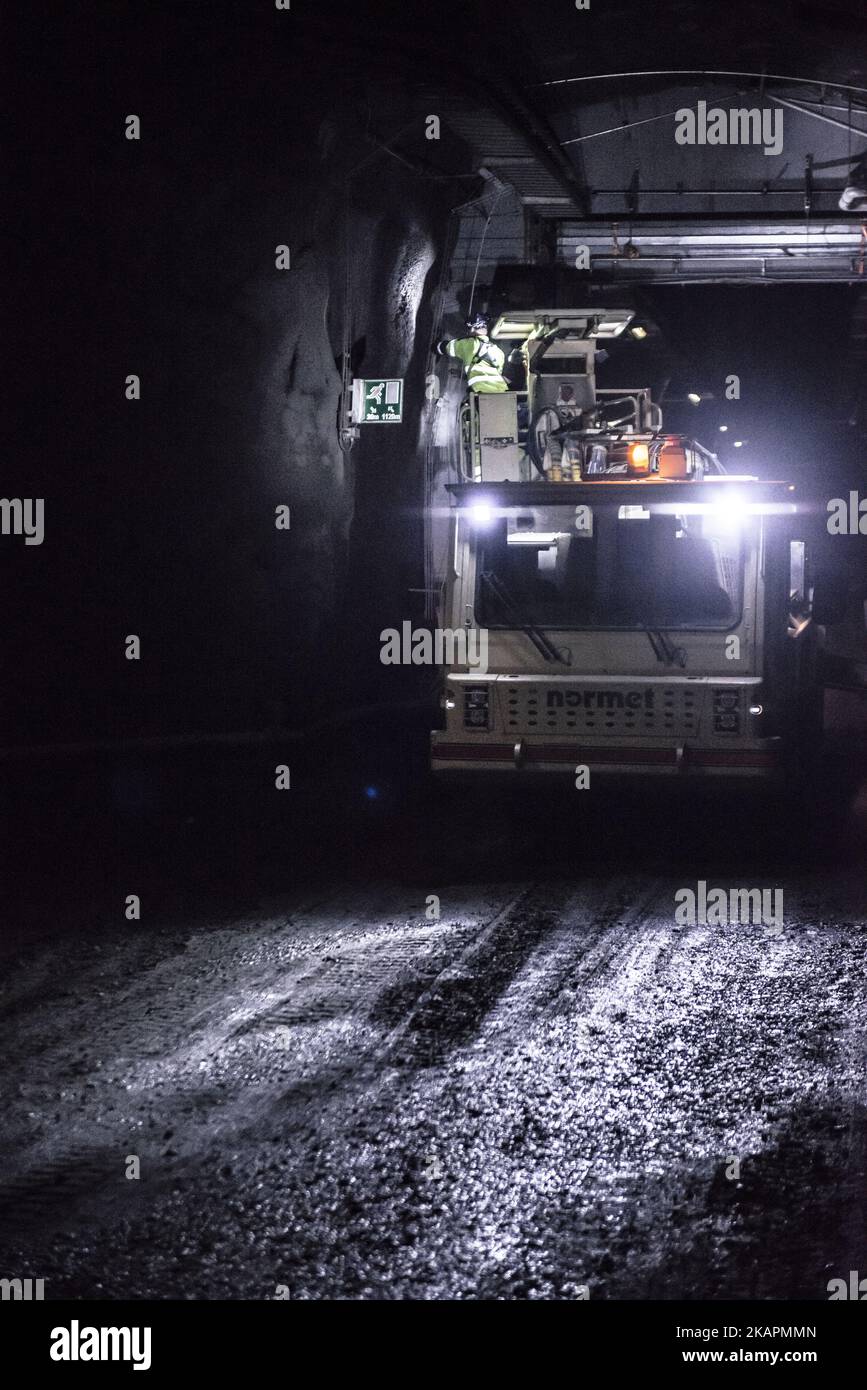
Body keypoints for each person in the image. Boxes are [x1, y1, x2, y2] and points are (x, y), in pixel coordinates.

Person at [436, 314, 509, 393]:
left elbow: (446, 348)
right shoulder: (499, 352)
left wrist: (438, 345)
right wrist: (464, 375)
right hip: (501, 393)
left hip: (482, 393)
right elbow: (490, 375)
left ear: (472, 328)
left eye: (469, 329)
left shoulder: (472, 344)